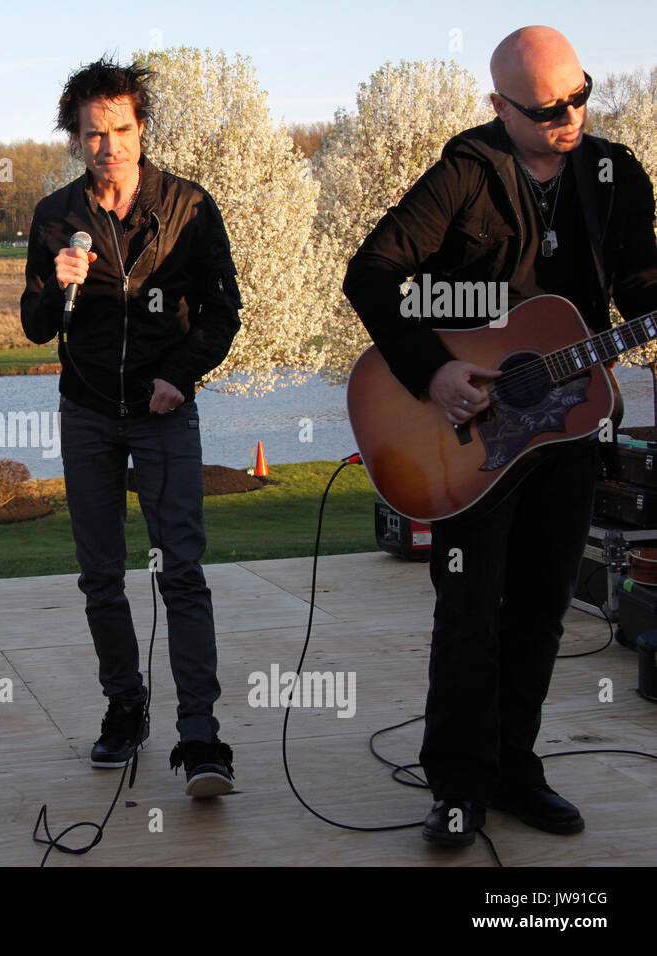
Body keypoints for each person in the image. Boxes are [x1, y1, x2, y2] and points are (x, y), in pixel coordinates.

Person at [343, 25, 657, 846]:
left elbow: (637, 283)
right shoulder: (464, 174)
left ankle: (516, 769)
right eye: (550, 108)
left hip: (565, 433)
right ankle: (455, 783)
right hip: (467, 433)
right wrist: (434, 371)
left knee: (543, 613)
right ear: (500, 107)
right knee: (470, 614)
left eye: (580, 94)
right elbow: (371, 272)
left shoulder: (614, 175)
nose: (571, 116)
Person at [20, 58, 243, 796]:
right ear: (76, 139)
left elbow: (223, 314)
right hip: (86, 411)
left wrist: (178, 377)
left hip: (163, 416)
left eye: (120, 129)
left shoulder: (189, 207)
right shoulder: (55, 216)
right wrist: (57, 285)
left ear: (141, 128)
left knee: (181, 571)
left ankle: (201, 736)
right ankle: (125, 706)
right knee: (100, 575)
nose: (108, 146)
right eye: (93, 134)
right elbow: (32, 326)